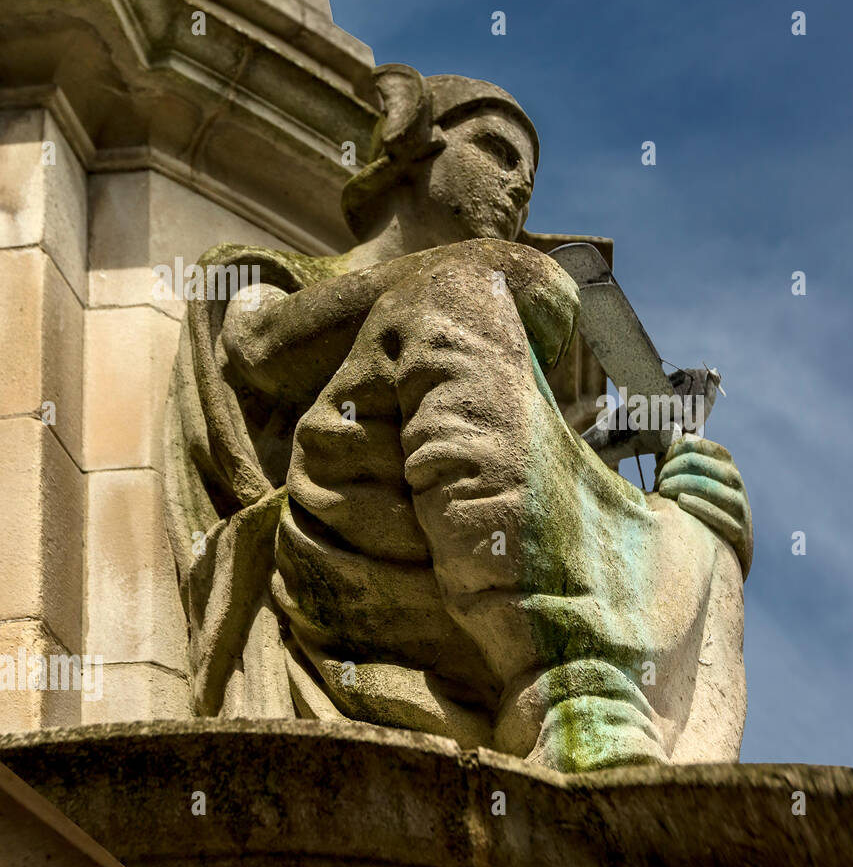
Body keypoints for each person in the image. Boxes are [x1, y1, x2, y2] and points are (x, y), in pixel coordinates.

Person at [164, 65, 752, 771]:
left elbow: (550, 499)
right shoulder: (271, 274)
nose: (519, 187)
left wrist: (686, 507)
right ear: (410, 139)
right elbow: (258, 347)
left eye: (527, 176)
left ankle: (605, 706)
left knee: (695, 517)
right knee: (463, 290)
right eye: (497, 151)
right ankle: (577, 696)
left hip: (461, 576)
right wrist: (476, 268)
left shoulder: (484, 303)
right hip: (338, 533)